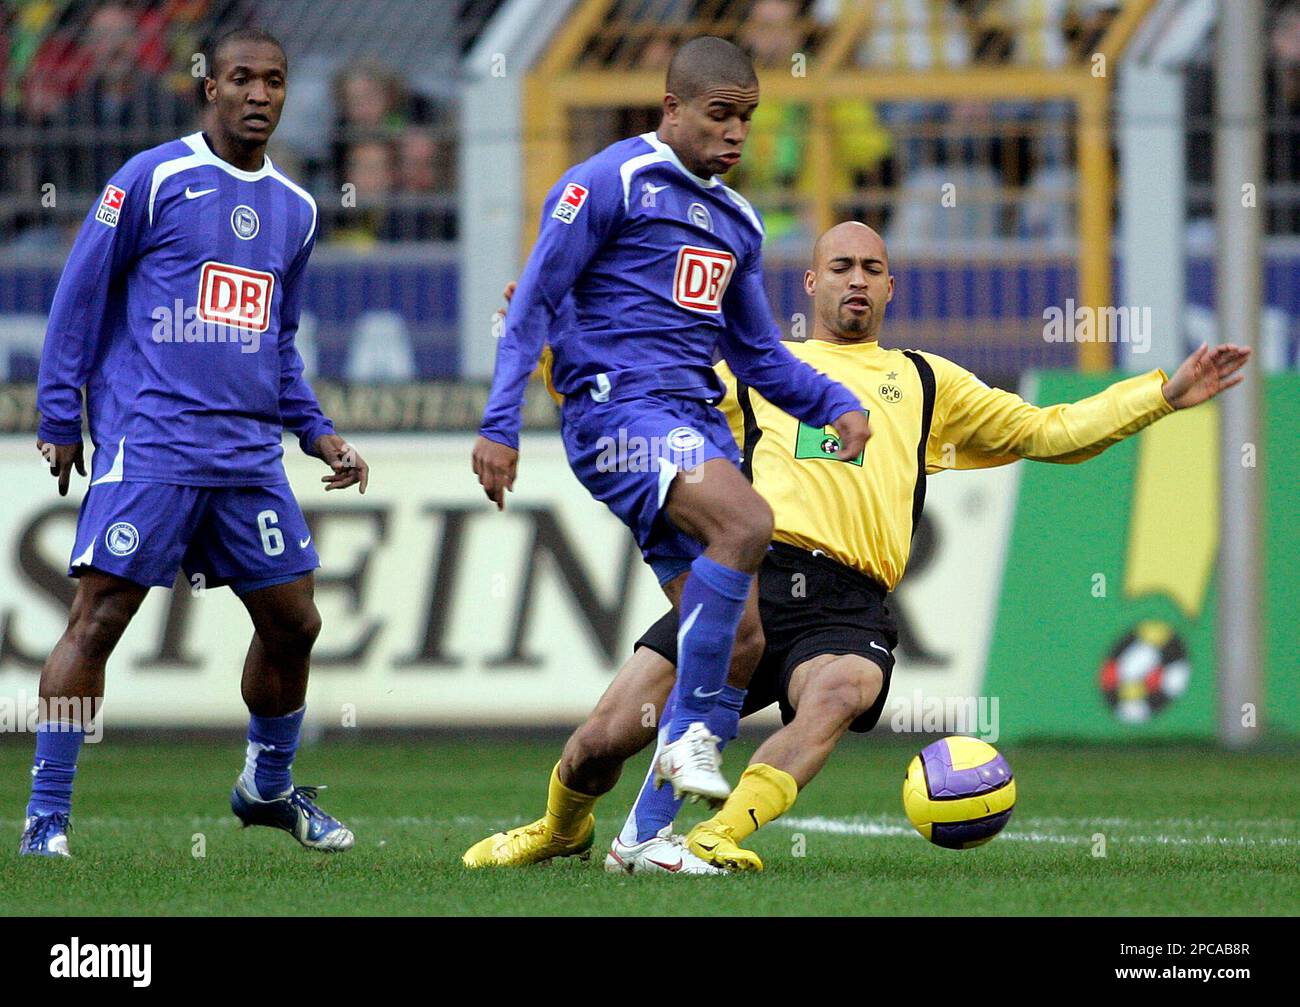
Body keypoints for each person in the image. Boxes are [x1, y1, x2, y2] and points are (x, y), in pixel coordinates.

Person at [467, 221, 1251, 873]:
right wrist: (555, 349)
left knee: (842, 688)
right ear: (811, 283)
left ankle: (715, 835)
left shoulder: (926, 381)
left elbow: (1048, 431)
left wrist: (1161, 394)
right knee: (601, 742)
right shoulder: (761, 370)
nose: (857, 279)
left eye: (872, 269)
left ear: (890, 288)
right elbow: (647, 395)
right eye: (840, 266)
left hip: (849, 603)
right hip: (749, 579)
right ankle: (561, 828)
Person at [468, 36, 870, 861]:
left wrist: (834, 403)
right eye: (720, 115)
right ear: (673, 108)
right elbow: (533, 299)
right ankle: (692, 737)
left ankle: (643, 839)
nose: (736, 133)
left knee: (744, 640)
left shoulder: (739, 223)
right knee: (747, 521)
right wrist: (500, 423)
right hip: (617, 413)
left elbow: (757, 356)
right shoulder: (609, 181)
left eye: (747, 119)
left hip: (692, 426)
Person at [22, 28, 370, 858]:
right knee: (99, 618)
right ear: (209, 87)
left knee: (295, 621)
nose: (259, 94)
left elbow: (277, 341)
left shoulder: (297, 210)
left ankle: (267, 786)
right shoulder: (152, 179)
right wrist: (59, 415)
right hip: (153, 443)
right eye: (242, 78)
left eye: (274, 81)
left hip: (247, 457)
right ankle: (46, 815)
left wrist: (316, 431)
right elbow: (78, 295)